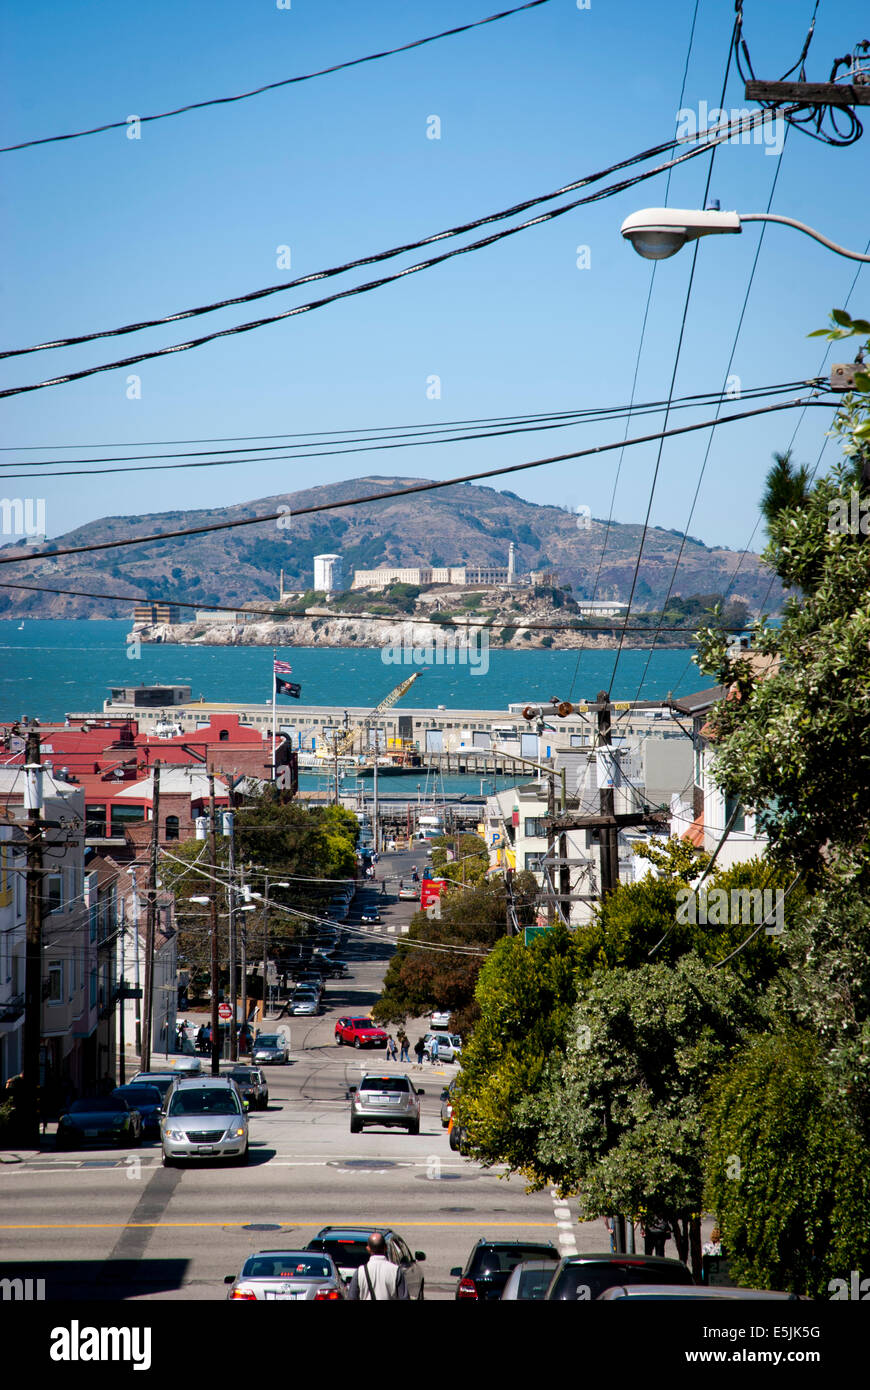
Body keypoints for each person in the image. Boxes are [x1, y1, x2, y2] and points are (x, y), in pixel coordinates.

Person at [346, 1233, 409, 1300]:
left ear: (368, 1249)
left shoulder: (360, 1272)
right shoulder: (396, 1271)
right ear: (385, 1248)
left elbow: (352, 1297)